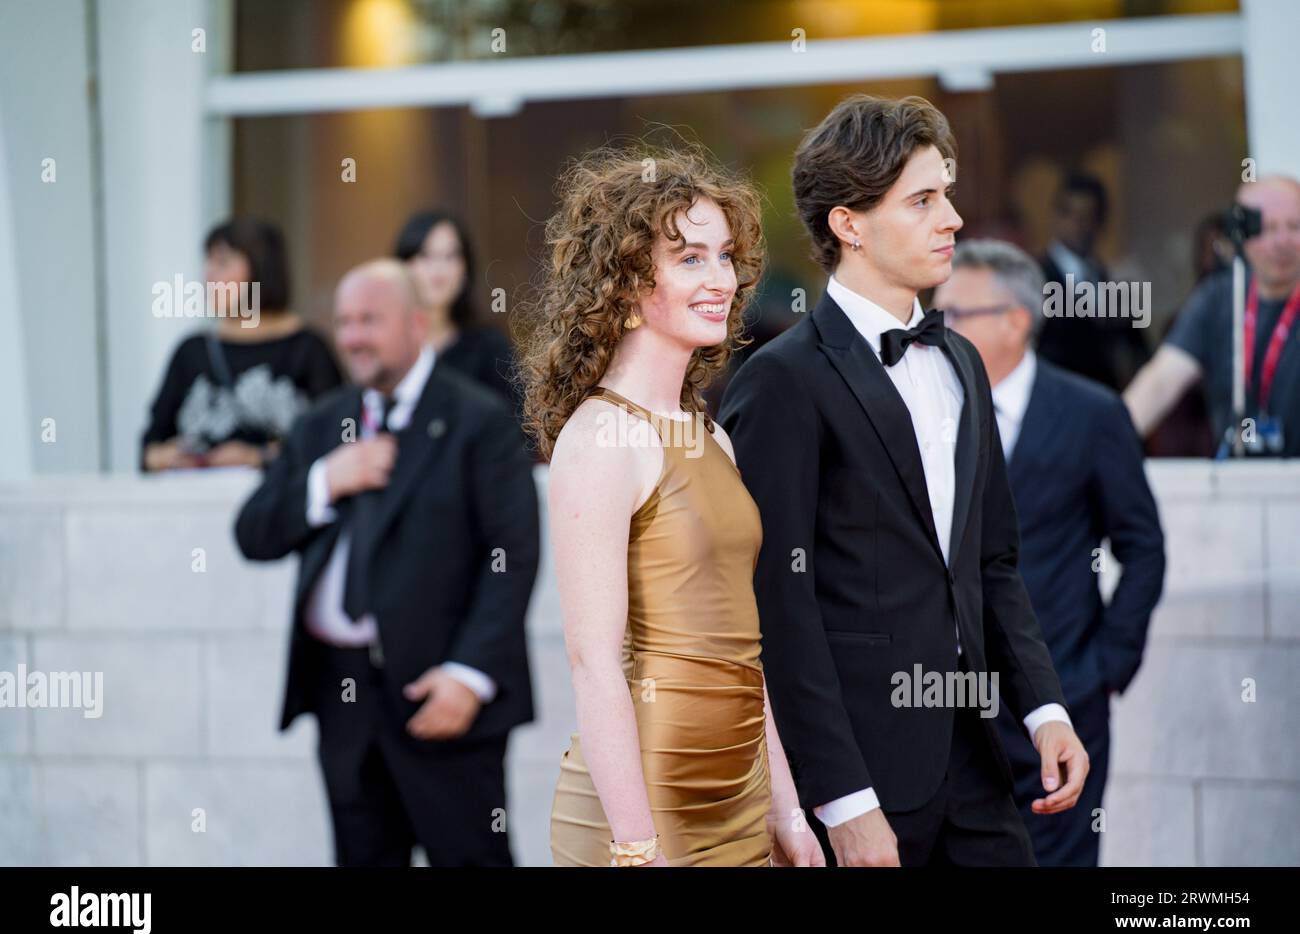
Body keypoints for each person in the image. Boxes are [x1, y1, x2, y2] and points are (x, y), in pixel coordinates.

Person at [721, 93, 1089, 867]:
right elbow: (777, 607)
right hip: (862, 779)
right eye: (922, 200)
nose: (952, 218)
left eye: (946, 195)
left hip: (979, 755)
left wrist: (1045, 707)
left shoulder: (960, 360)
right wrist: (842, 802)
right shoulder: (780, 381)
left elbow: (992, 562)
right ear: (848, 225)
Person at [522, 143, 822, 867]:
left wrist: (787, 810)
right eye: (689, 258)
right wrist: (634, 848)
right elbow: (593, 664)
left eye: (724, 256)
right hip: (645, 812)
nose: (720, 278)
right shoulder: (600, 437)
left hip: (741, 801)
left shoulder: (712, 435)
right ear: (624, 282)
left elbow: (746, 657)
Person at [234, 259, 539, 866]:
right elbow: (253, 533)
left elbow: (513, 556)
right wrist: (325, 480)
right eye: (344, 322)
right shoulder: (324, 424)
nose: (351, 337)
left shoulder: (480, 421)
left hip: (445, 700)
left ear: (417, 324)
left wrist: (469, 676)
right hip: (342, 702)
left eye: (369, 320)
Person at [934, 238, 1166, 865]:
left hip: (1064, 694)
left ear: (1016, 321)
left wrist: (1107, 665)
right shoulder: (928, 413)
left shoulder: (1091, 414)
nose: (938, 328)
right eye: (936, 312)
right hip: (951, 705)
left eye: (956, 315)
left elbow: (1143, 547)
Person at [141, 218, 342, 471]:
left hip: (279, 506)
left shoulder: (307, 349)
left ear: (260, 268)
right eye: (208, 262)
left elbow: (336, 440)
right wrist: (172, 457)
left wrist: (258, 457)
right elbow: (149, 448)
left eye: (223, 263)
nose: (209, 275)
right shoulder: (192, 351)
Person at [1125, 175, 1300, 457]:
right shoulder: (1217, 298)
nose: (1282, 242)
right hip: (1235, 486)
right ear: (1240, 235)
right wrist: (1101, 446)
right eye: (1267, 228)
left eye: (1294, 226)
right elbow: (1160, 383)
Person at [394, 210, 520, 418]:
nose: (438, 270)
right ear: (403, 265)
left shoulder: (489, 347)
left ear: (465, 270)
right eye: (426, 255)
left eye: (450, 256)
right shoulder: (390, 346)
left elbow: (513, 427)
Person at [1035, 172, 1150, 392]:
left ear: (1100, 222)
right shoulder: (1036, 277)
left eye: (1087, 216)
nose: (1078, 225)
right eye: (1070, 214)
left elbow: (1137, 350)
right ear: (1056, 217)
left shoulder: (1114, 278)